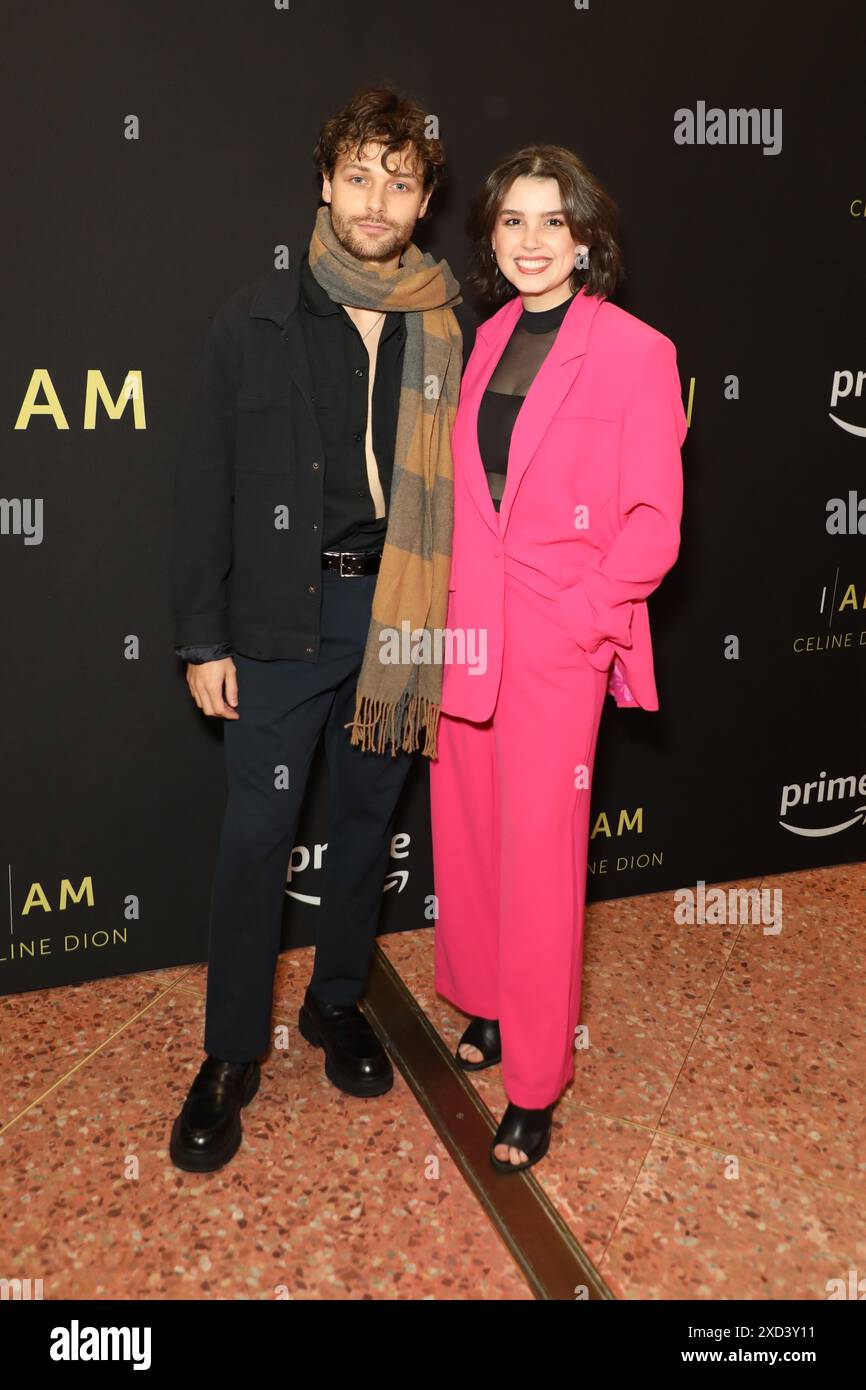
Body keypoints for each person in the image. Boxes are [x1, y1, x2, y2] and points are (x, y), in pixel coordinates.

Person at [169, 84, 474, 1172]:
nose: (376, 199)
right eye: (358, 175)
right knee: (255, 840)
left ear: (424, 195)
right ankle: (228, 1053)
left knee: (364, 828)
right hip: (277, 619)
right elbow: (205, 493)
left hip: (399, 616)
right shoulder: (249, 322)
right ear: (324, 183)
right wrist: (202, 641)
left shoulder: (449, 325)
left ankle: (336, 1003)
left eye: (399, 179)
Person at [429, 145, 687, 1173]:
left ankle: (533, 1083)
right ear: (489, 238)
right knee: (473, 838)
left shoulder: (634, 350)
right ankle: (488, 1007)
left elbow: (652, 524)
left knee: (538, 860)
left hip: (555, 641)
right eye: (510, 223)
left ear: (586, 240)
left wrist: (585, 616)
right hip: (466, 633)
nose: (530, 241)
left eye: (551, 222)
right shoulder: (483, 336)